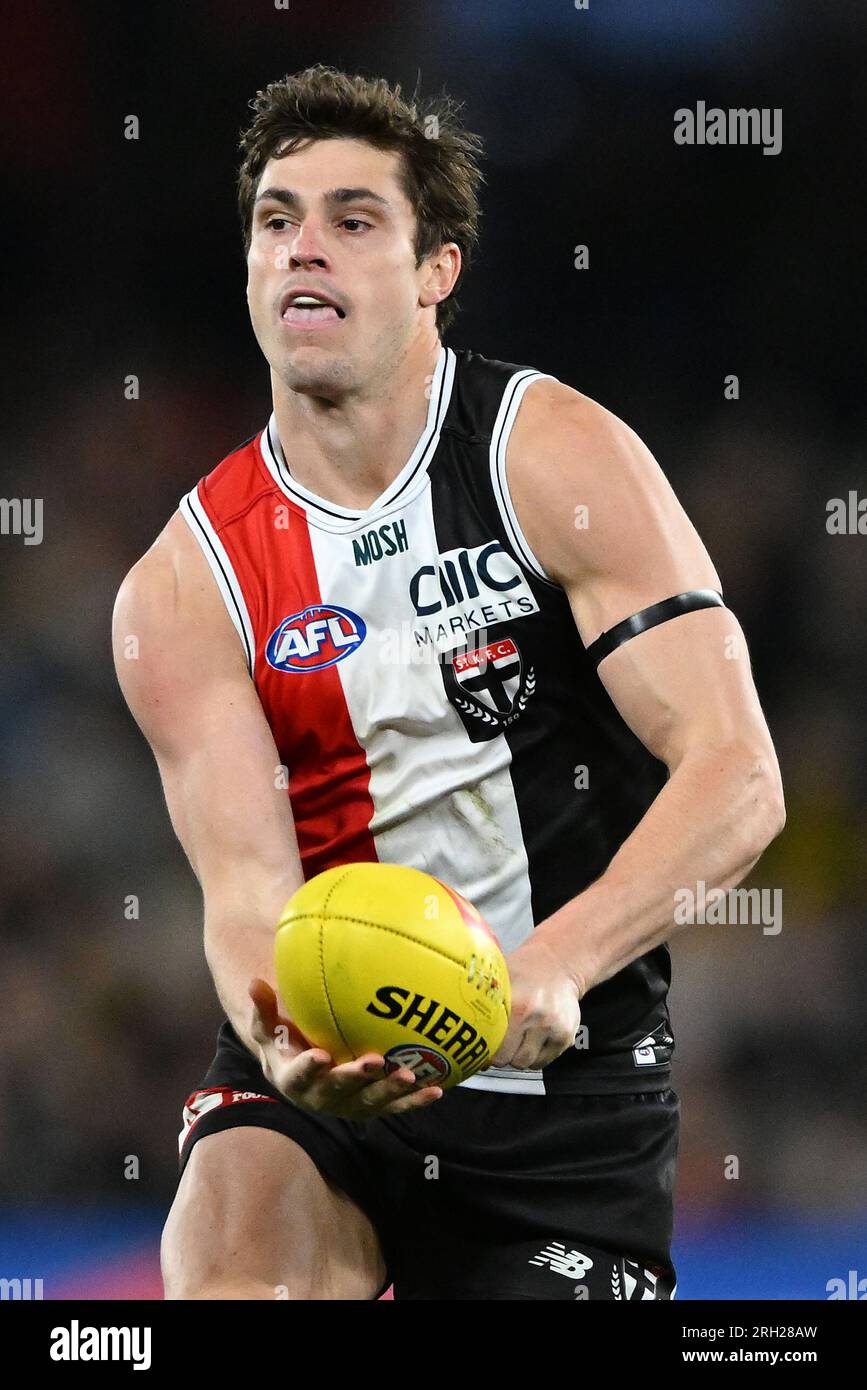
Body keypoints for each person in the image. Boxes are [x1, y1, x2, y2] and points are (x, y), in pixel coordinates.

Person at [112, 65, 785, 1301]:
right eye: (277, 219)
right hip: (332, 1075)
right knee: (231, 1267)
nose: (304, 246)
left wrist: (560, 963)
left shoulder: (553, 456)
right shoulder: (183, 583)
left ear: (438, 272)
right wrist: (283, 1040)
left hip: (564, 1109)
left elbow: (739, 774)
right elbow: (246, 889)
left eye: (353, 219)